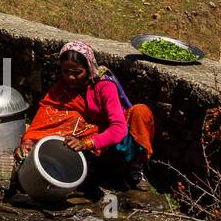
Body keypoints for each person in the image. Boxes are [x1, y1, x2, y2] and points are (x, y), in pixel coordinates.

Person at [15, 39, 155, 191]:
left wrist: (87, 143)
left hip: (114, 140)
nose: (70, 78)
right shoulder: (61, 89)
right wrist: (28, 142)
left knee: (141, 112)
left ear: (88, 68)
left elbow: (119, 128)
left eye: (76, 73)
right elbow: (45, 116)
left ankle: (134, 168)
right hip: (86, 138)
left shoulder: (104, 86)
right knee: (70, 120)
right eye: (65, 72)